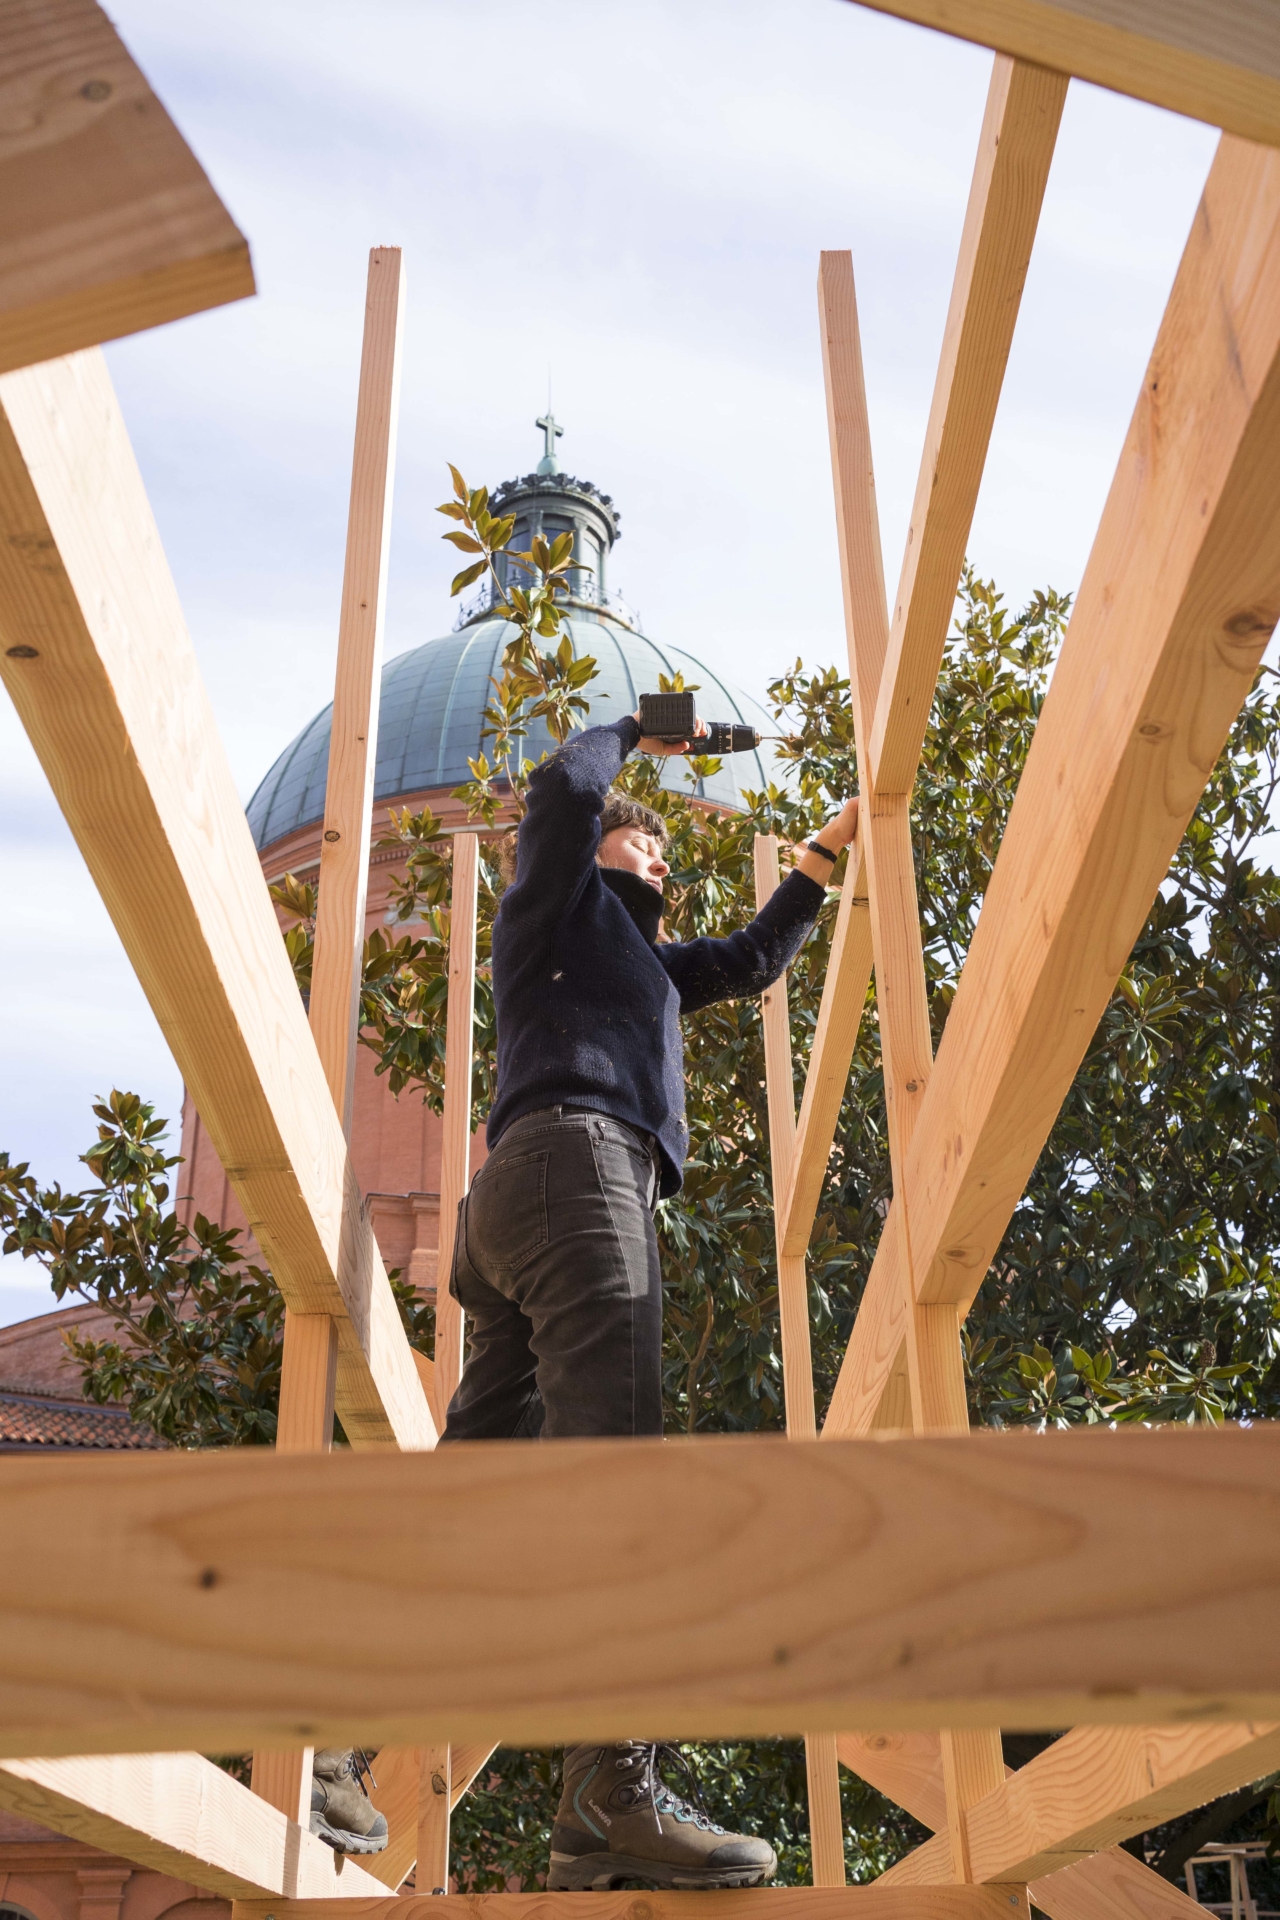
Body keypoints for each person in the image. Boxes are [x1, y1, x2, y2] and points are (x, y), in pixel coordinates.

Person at [430, 707, 858, 1891]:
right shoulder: (554, 908)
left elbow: (753, 959)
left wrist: (827, 848)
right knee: (616, 1459)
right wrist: (634, 731)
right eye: (645, 847)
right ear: (600, 856)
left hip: (520, 1202)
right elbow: (564, 792)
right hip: (574, 1164)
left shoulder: (651, 971)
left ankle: (341, 1741)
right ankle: (612, 1793)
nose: (659, 859)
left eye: (661, 852)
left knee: (474, 1469)